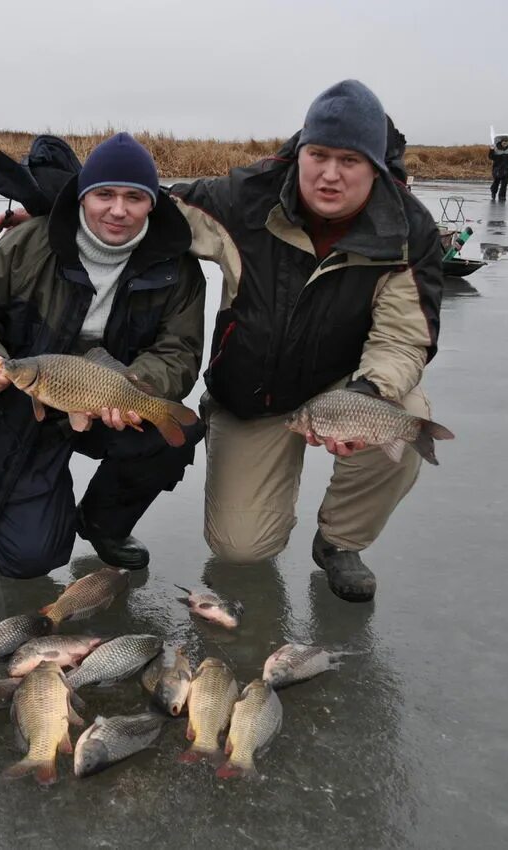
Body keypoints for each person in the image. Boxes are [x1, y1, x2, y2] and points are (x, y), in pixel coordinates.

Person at [167, 79, 445, 602]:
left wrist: (368, 395)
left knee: (405, 416)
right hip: (253, 393)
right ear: (300, 152)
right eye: (318, 155)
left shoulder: (409, 231)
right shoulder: (245, 198)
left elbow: (403, 339)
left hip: (346, 380)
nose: (330, 174)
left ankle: (340, 541)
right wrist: (60, 213)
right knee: (240, 548)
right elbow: (149, 209)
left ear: (375, 167)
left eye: (350, 160)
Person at [0, 133, 206, 578]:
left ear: (152, 203)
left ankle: (103, 523)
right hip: (24, 407)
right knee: (29, 557)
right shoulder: (29, 242)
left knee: (174, 430)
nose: (118, 210)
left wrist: (134, 386)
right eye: (105, 195)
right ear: (83, 196)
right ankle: (15, 516)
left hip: (109, 398)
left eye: (134, 197)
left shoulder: (177, 267)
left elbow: (178, 351)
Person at [488, 135, 508, 201]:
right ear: (501, 142)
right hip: (497, 169)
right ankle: (493, 192)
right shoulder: (496, 148)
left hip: (507, 169)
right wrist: (491, 150)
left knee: (504, 184)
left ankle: (502, 197)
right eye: (504, 142)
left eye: (506, 142)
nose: (505, 143)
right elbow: (491, 157)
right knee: (496, 182)